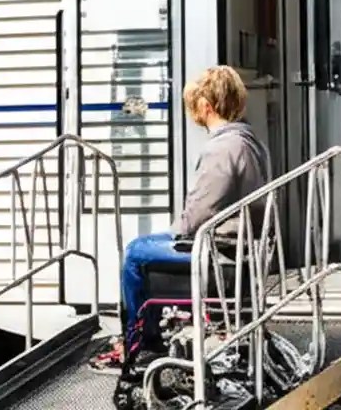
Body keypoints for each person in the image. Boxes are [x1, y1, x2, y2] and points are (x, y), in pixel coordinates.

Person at [91, 65, 270, 372]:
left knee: (136, 253)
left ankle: (141, 343)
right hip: (241, 251)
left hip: (220, 255)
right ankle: (144, 337)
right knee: (147, 246)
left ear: (206, 105)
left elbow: (197, 216)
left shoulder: (222, 148)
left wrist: (172, 234)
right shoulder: (251, 142)